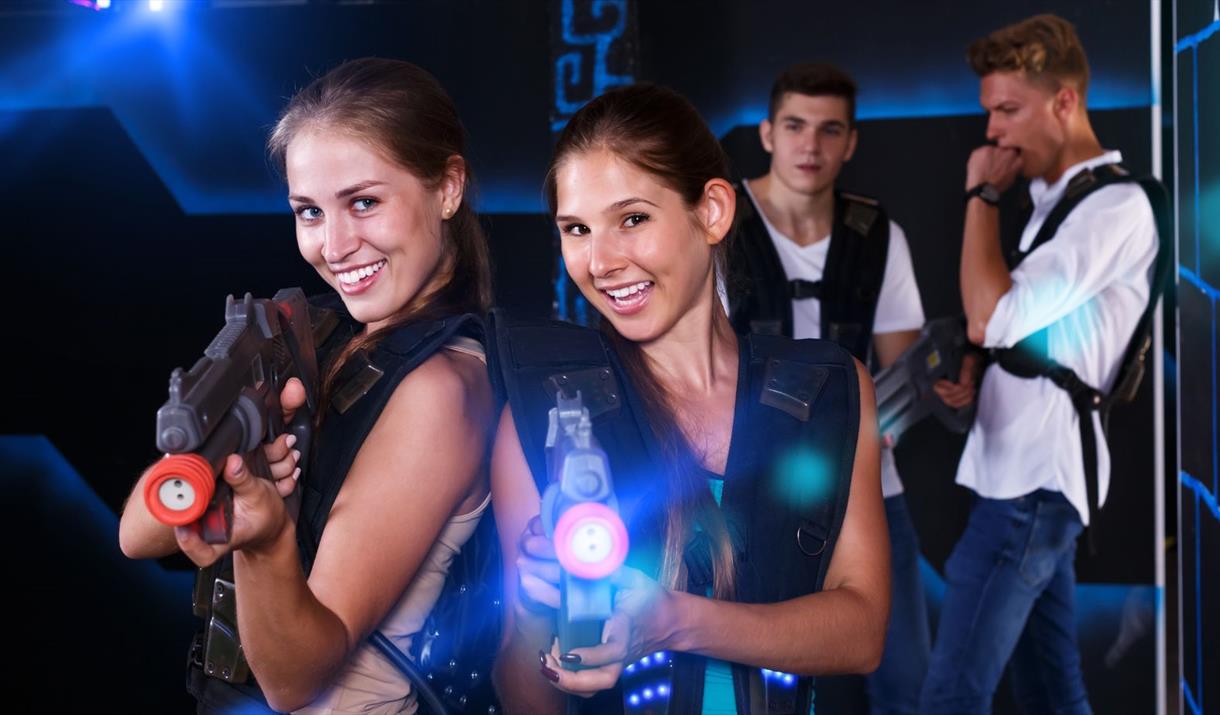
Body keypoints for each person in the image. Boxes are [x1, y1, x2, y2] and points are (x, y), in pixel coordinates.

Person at [490, 83, 890, 715]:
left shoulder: (830, 389)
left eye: (632, 219)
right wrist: (540, 613)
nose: (599, 260)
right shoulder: (546, 416)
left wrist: (674, 621)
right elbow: (523, 690)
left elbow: (862, 631)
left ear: (712, 211)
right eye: (576, 229)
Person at [118, 57, 497, 714]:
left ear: (448, 187)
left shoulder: (443, 385)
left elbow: (298, 681)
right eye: (309, 212)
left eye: (364, 202)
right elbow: (137, 532)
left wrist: (263, 537)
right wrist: (221, 446)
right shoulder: (314, 333)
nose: (335, 244)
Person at [919, 15, 1160, 714]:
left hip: (1032, 482)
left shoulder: (1114, 209)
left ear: (1065, 102)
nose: (992, 130)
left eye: (1007, 110)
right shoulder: (1059, 203)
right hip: (1018, 473)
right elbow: (1015, 331)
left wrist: (980, 196)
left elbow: (991, 314)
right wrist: (980, 370)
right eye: (988, 110)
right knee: (1052, 690)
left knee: (952, 695)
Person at [726, 62, 955, 715]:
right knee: (752, 680)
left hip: (867, 486)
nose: (811, 146)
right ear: (768, 132)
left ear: (851, 142)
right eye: (796, 126)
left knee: (906, 681)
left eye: (830, 130)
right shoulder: (717, 225)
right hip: (751, 491)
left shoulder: (879, 234)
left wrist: (937, 388)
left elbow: (905, 367)